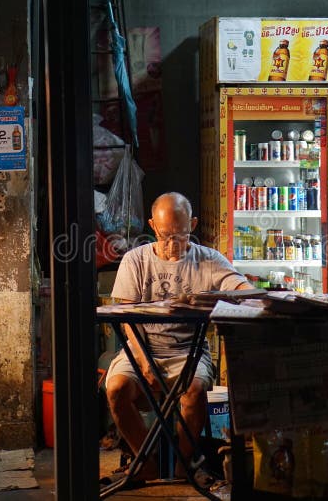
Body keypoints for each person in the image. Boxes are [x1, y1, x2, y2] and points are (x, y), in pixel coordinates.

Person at [105, 192, 251, 483]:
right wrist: (143, 361)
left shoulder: (208, 259)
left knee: (195, 390)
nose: (172, 245)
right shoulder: (136, 260)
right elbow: (126, 320)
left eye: (180, 236)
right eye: (164, 236)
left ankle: (183, 466)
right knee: (116, 389)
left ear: (192, 225)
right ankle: (145, 462)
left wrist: (247, 295)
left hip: (188, 350)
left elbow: (241, 287)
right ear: (152, 226)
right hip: (142, 348)